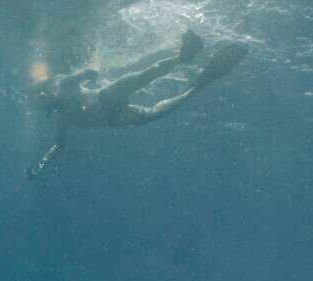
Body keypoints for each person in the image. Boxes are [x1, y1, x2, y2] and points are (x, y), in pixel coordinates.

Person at [28, 28, 250, 178]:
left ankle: (183, 56)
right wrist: (42, 163)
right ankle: (197, 86)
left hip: (106, 97)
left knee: (143, 77)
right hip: (112, 117)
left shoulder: (64, 85)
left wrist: (89, 73)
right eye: (41, 99)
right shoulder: (62, 119)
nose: (45, 97)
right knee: (154, 113)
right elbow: (59, 145)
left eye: (43, 93)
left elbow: (85, 73)